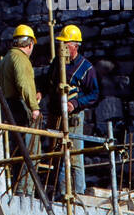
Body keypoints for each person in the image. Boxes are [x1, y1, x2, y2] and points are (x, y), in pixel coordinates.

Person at [42, 25, 99, 195]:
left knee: (74, 156)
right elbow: (48, 82)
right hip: (55, 115)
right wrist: (41, 92)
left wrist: (75, 103)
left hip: (73, 117)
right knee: (57, 155)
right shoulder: (56, 63)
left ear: (75, 45)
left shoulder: (86, 68)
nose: (62, 47)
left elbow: (94, 93)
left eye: (65, 44)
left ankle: (78, 193)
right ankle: (60, 192)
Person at [0, 24, 42, 196]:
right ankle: (26, 192)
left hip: (10, 108)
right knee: (31, 151)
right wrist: (34, 107)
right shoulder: (21, 60)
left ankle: (17, 189)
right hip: (21, 109)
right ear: (29, 44)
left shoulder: (6, 59)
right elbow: (23, 84)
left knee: (17, 151)